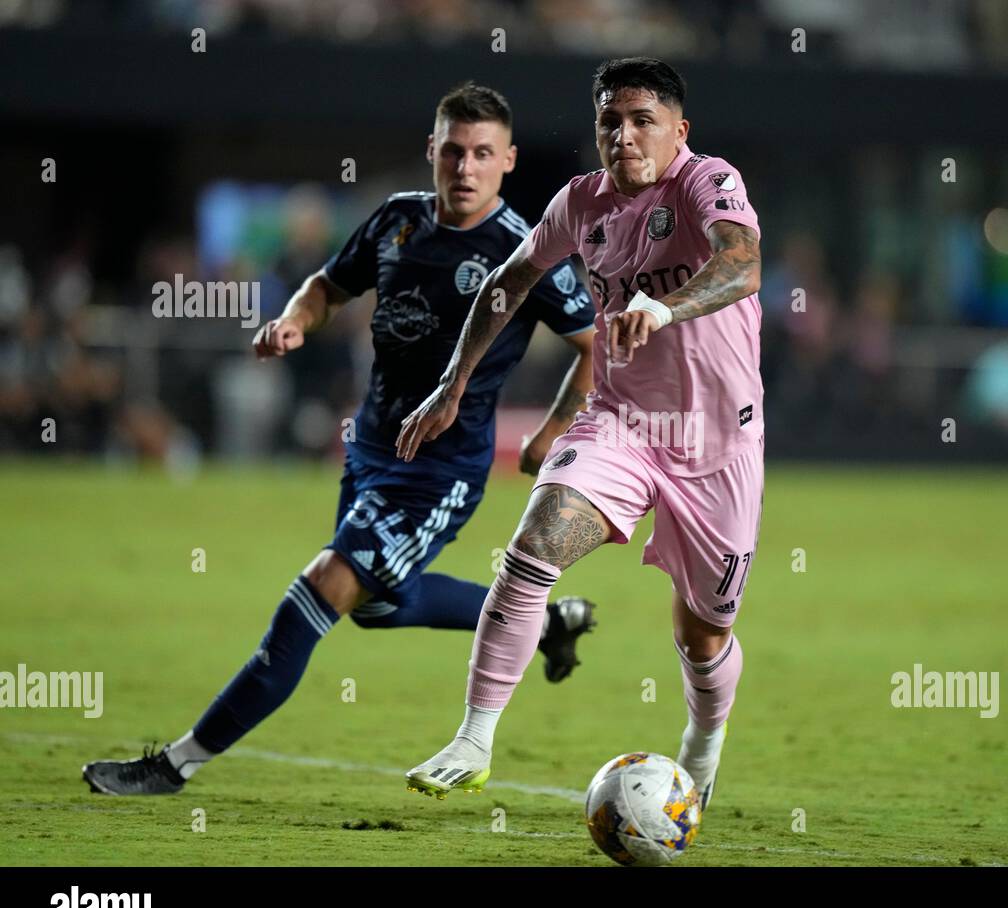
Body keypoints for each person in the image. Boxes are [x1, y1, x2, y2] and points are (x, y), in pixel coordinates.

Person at [82, 82, 599, 795]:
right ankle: (542, 622)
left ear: (508, 160)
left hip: (438, 472)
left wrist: (552, 431)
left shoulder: (525, 251)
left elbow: (593, 344)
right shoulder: (396, 221)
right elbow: (328, 285)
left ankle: (176, 764)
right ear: (432, 151)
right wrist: (297, 320)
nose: (465, 167)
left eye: (483, 153)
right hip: (371, 451)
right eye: (453, 150)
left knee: (322, 588)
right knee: (383, 607)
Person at [396, 58, 763, 811]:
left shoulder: (704, 181)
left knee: (704, 635)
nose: (623, 136)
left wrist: (662, 310)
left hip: (718, 445)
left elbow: (743, 264)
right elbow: (510, 282)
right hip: (622, 425)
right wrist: (452, 381)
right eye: (609, 121)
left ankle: (702, 742)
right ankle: (474, 737)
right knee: (535, 542)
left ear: (677, 131)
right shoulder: (580, 202)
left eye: (641, 121)